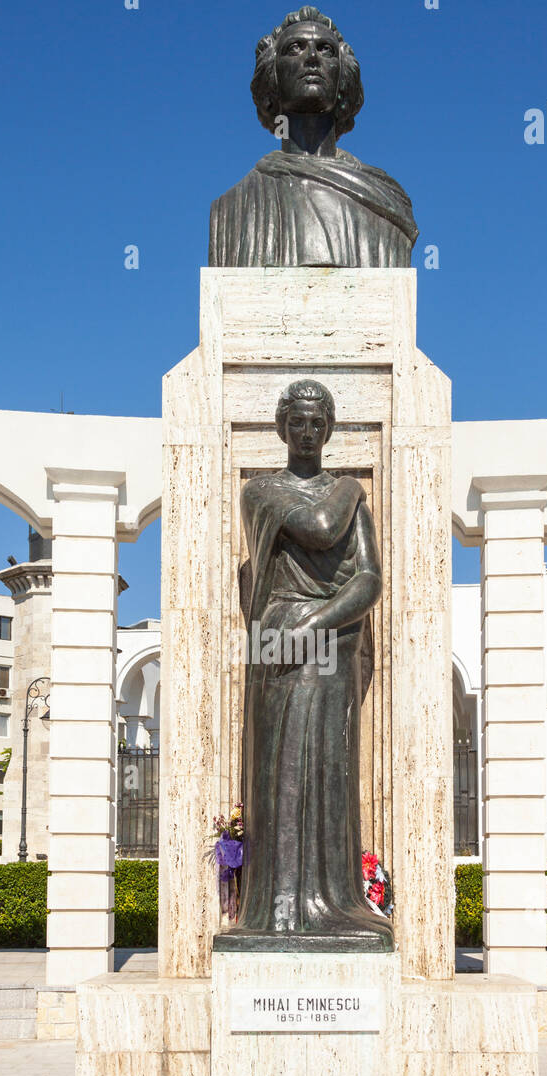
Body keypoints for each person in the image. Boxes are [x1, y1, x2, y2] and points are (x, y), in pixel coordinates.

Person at [215, 378, 393, 952]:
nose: (309, 432)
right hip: (279, 642)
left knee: (331, 765)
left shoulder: (344, 496)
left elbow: (369, 579)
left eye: (319, 422)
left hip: (326, 640)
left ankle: (335, 903)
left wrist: (320, 621)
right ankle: (280, 909)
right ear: (282, 426)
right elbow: (321, 530)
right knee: (285, 764)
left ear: (330, 428)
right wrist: (350, 490)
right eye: (299, 421)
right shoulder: (261, 493)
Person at [209, 7, 418, 269]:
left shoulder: (387, 204)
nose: (312, 58)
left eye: (325, 50)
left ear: (343, 81)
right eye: (295, 48)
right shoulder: (232, 209)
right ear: (271, 82)